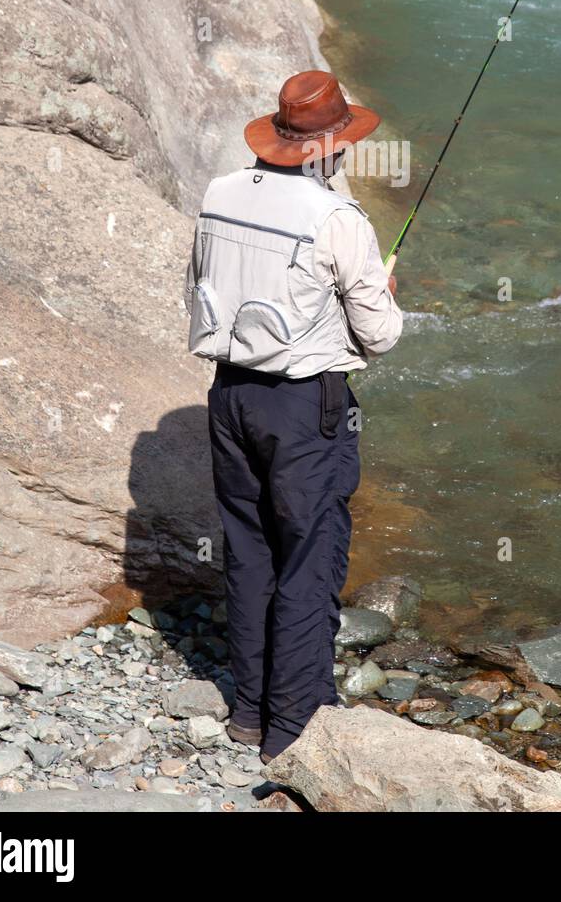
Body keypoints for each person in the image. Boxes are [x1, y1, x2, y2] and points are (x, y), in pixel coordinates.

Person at [184, 70, 403, 762]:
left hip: (228, 397)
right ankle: (297, 727)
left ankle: (248, 711)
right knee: (309, 559)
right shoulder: (337, 220)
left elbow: (200, 281)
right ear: (329, 149)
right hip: (306, 409)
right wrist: (384, 290)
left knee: (250, 552)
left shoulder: (218, 194)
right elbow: (380, 335)